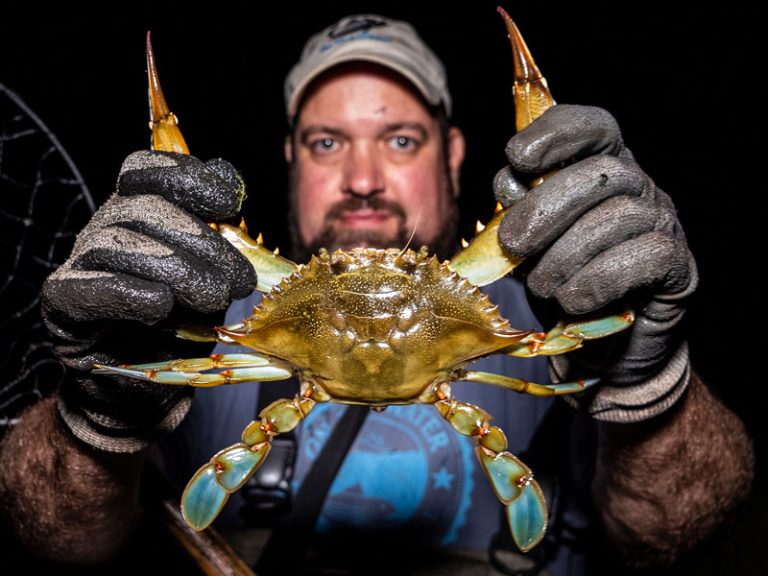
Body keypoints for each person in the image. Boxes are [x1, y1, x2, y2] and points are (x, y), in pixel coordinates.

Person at [0, 13, 754, 575]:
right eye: (328, 142)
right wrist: (98, 405)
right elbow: (62, 539)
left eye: (400, 139)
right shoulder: (194, 324)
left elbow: (675, 532)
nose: (363, 177)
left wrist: (646, 382)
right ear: (291, 157)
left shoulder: (569, 312)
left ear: (453, 154)